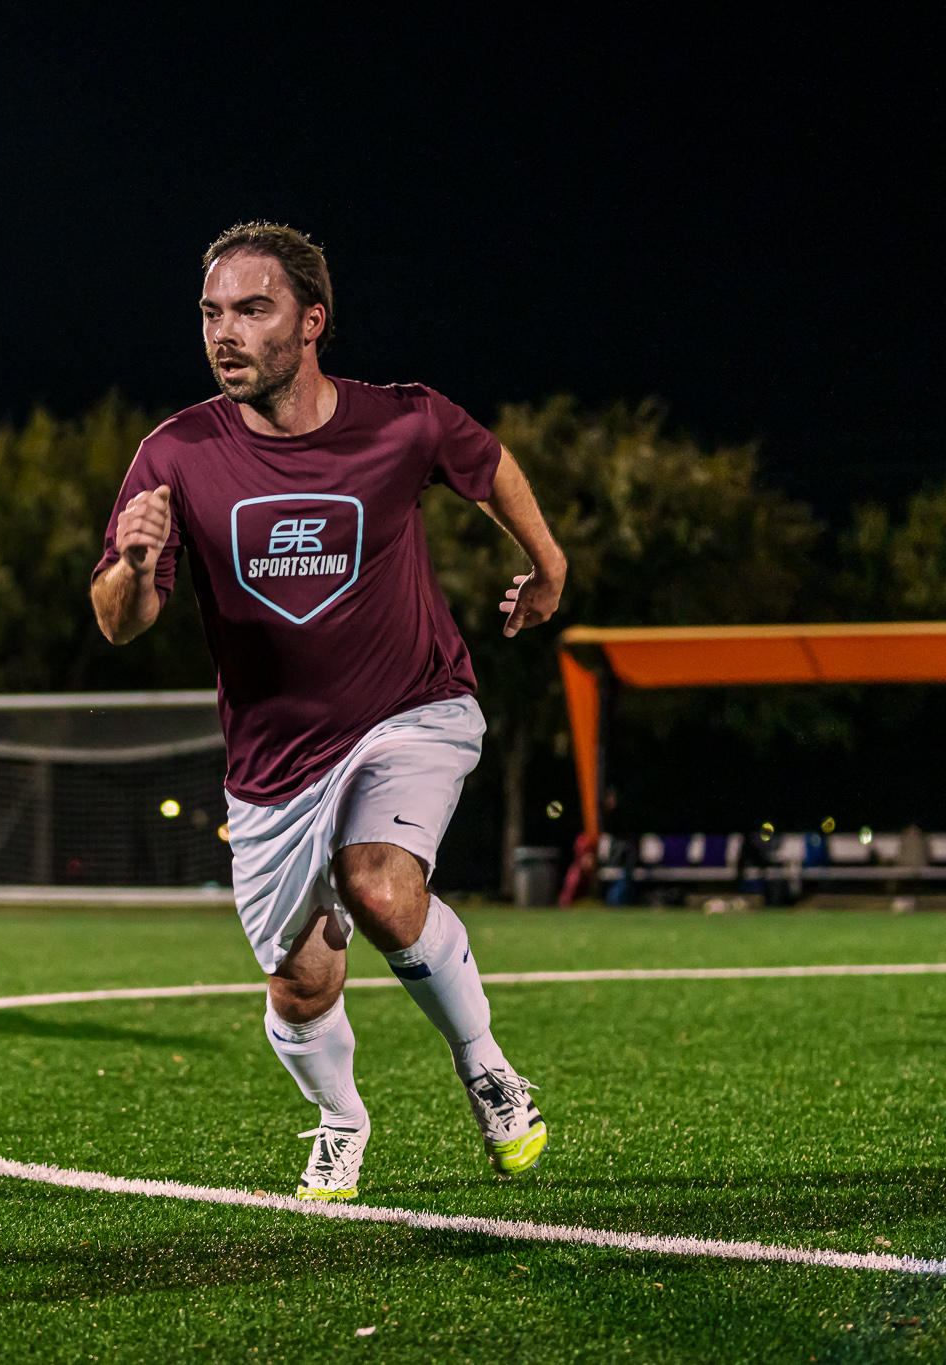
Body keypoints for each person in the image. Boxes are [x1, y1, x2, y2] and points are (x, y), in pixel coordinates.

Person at [90, 222, 566, 1201]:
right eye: (211, 313)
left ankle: (485, 1068)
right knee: (300, 983)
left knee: (378, 886)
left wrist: (548, 566)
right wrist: (136, 567)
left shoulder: (403, 419)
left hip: (414, 709)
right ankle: (339, 1120)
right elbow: (118, 624)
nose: (224, 332)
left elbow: (487, 465)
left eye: (250, 309)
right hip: (273, 769)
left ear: (311, 321)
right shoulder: (173, 455)